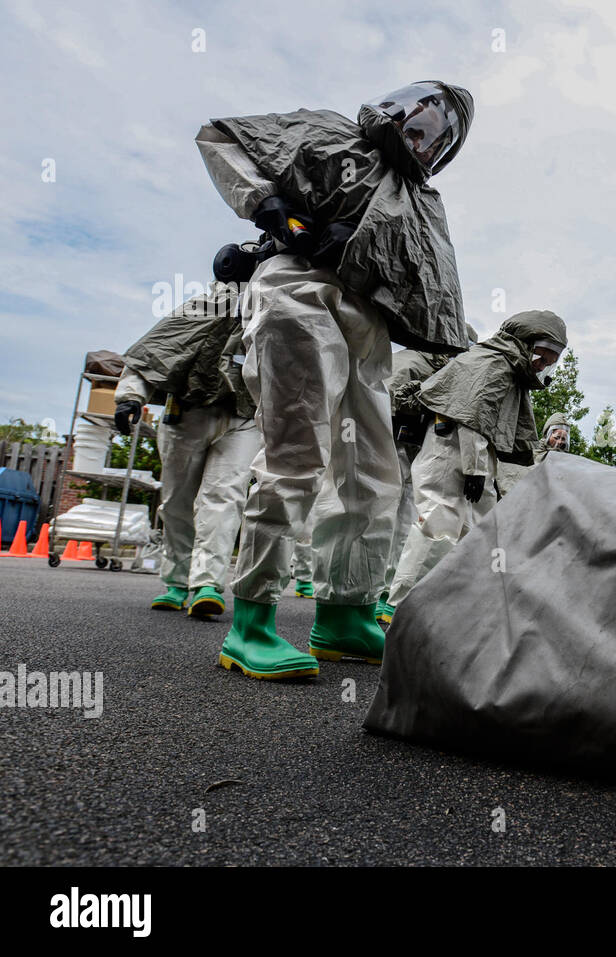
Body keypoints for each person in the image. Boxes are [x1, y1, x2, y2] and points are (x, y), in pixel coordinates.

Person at [196, 80, 474, 679]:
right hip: (298, 285)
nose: (424, 125)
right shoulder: (329, 133)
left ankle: (344, 613)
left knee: (373, 470)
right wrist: (273, 211)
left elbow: (429, 286)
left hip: (366, 321)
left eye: (441, 125)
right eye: (424, 108)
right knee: (297, 448)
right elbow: (224, 139)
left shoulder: (422, 201)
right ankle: (252, 622)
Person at [386, 310, 568, 611]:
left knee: (474, 534)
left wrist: (479, 470)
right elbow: (470, 417)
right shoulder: (492, 363)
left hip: (472, 460)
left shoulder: (506, 368)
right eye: (542, 356)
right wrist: (474, 469)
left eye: (550, 361)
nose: (542, 365)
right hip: (451, 454)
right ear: (526, 343)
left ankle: (448, 608)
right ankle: (405, 607)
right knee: (437, 525)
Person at [114, 259, 260, 619]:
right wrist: (130, 396)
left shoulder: (274, 315)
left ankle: (206, 584)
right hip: (189, 413)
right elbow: (156, 349)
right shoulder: (200, 308)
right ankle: (177, 581)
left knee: (224, 495)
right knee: (178, 500)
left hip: (244, 417)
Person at [374, 333, 477, 624]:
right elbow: (390, 402)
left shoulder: (425, 363)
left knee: (404, 516)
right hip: (393, 442)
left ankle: (384, 592)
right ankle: (378, 592)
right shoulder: (412, 362)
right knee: (390, 515)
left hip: (405, 445)